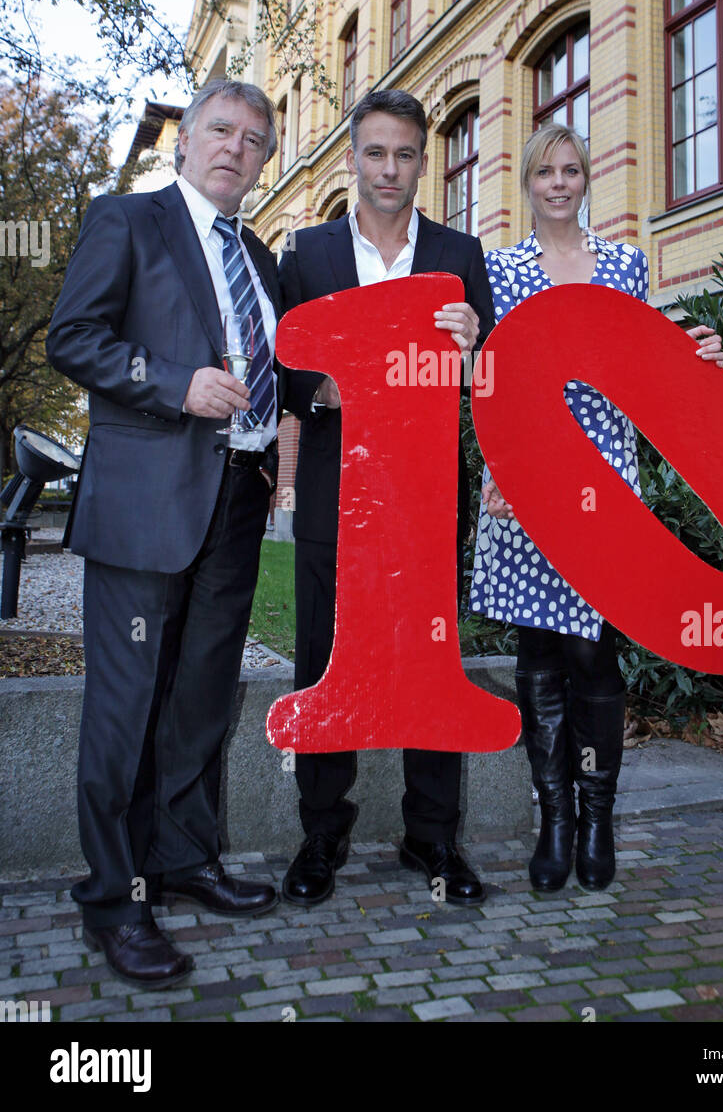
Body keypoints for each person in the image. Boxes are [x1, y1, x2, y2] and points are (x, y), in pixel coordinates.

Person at [46, 79, 285, 989]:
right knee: (124, 709)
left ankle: (183, 859)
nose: (235, 147)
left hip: (235, 503)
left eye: (254, 139)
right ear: (186, 142)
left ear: (264, 160)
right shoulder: (129, 221)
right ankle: (114, 899)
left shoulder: (258, 257)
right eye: (220, 130)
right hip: (147, 502)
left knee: (198, 702)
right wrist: (171, 380)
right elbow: (76, 337)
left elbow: (281, 367)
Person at [470, 122, 723, 894]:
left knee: (592, 649)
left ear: (587, 179)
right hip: (525, 475)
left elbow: (637, 363)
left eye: (570, 170)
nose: (557, 183)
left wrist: (695, 356)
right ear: (526, 181)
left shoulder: (622, 263)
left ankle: (596, 817)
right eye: (544, 171)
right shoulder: (501, 267)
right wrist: (502, 471)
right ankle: (553, 822)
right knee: (540, 649)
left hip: (602, 473)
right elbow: (495, 374)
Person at [278, 87, 494, 907]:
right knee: (321, 664)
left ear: (421, 161)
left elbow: (492, 382)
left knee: (429, 667)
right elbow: (283, 374)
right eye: (375, 152)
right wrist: (323, 386)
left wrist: (476, 350)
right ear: (352, 159)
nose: (390, 169)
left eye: (405, 154)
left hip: (423, 503)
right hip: (336, 497)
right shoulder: (306, 254)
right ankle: (320, 837)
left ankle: (432, 839)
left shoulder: (458, 254)